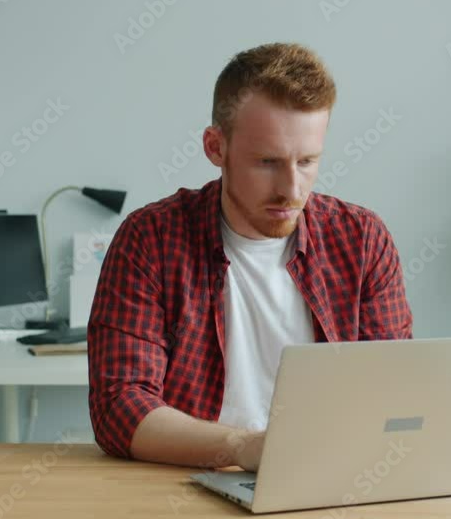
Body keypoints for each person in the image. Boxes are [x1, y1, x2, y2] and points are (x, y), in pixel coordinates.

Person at [88, 42, 412, 471]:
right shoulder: (150, 240)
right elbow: (120, 407)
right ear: (215, 147)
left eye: (308, 161)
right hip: (185, 488)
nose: (292, 190)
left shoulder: (363, 240)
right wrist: (245, 448)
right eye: (267, 162)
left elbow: (391, 389)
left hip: (328, 481)